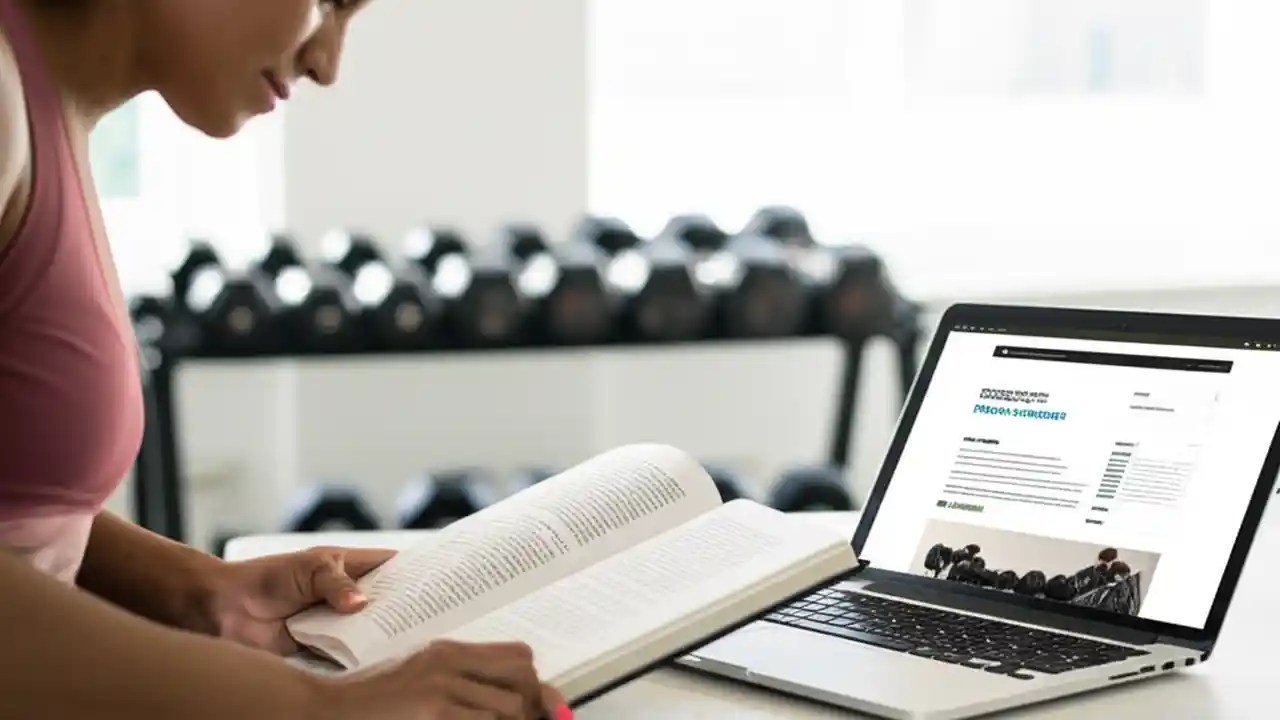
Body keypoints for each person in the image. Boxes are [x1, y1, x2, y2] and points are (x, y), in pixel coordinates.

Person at [0, 2, 569, 718]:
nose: (326, 63)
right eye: (328, 2)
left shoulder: (46, 105)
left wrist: (201, 595)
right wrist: (317, 707)